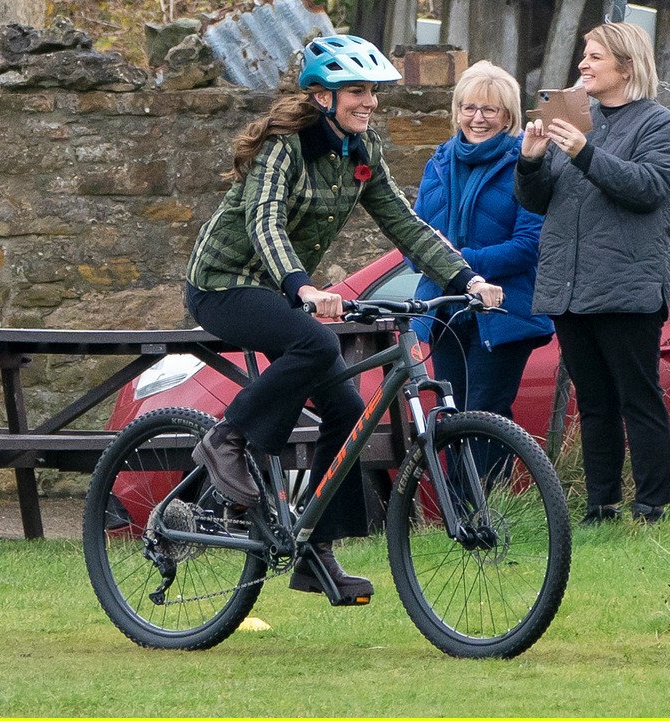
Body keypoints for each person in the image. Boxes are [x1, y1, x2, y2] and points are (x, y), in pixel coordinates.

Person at [184, 35, 503, 602]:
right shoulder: (284, 147)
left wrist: (467, 280)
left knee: (350, 411)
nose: (369, 102)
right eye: (356, 91)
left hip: (281, 291)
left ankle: (315, 553)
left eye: (372, 91)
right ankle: (226, 439)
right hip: (224, 285)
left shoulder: (362, 151)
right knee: (314, 346)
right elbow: (264, 223)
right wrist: (303, 286)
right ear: (322, 97)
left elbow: (403, 225)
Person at [514, 21, 670, 525]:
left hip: (626, 287)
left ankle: (651, 506)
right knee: (593, 403)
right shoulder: (576, 120)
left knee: (638, 398)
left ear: (626, 67)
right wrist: (529, 162)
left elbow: (648, 188)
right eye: (583, 57)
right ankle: (601, 506)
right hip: (570, 288)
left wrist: (583, 153)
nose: (582, 66)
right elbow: (539, 200)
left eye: (594, 57)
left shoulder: (657, 125)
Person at [410, 61, 554, 478]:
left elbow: (528, 247)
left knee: (486, 413)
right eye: (469, 107)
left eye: (489, 110)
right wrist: (439, 262)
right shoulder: (437, 164)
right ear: (456, 112)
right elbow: (413, 240)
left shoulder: (523, 165)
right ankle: (462, 512)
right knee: (450, 417)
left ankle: (484, 511)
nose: (478, 118)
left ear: (508, 116)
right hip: (446, 312)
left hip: (503, 313)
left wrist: (456, 259)